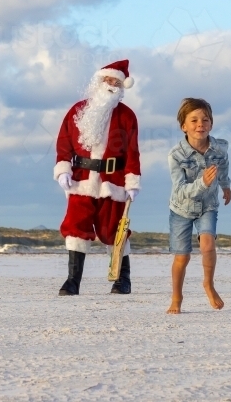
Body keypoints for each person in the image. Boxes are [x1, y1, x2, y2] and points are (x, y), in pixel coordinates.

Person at [53, 59, 141, 296]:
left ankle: (123, 279)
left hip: (113, 182)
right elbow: (64, 141)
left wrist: (132, 181)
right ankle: (72, 281)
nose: (111, 85)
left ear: (122, 86)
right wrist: (63, 169)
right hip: (81, 180)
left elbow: (132, 150)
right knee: (75, 227)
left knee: (113, 230)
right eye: (108, 80)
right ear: (99, 81)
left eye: (117, 82)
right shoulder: (77, 110)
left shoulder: (127, 116)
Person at [166, 98, 231, 314]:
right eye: (193, 120)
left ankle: (209, 284)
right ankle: (176, 297)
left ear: (211, 124)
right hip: (181, 209)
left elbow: (223, 166)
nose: (200, 124)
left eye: (205, 120)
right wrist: (203, 182)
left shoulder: (219, 148)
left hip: (207, 206)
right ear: (184, 126)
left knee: (208, 246)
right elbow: (180, 190)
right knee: (182, 257)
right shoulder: (176, 156)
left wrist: (225, 186)